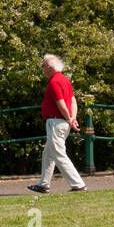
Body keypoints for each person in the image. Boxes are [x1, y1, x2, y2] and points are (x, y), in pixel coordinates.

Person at [27, 54, 88, 193]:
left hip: (56, 122)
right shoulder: (65, 80)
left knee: (59, 154)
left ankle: (78, 185)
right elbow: (72, 101)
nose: (42, 68)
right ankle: (43, 184)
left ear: (50, 67)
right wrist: (72, 118)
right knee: (48, 153)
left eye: (43, 65)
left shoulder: (54, 82)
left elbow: (60, 103)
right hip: (62, 122)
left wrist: (68, 118)